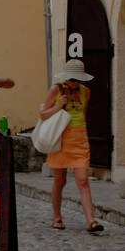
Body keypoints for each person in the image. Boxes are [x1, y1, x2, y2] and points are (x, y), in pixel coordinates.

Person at [40, 59, 105, 234]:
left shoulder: (86, 92)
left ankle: (91, 221)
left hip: (79, 140)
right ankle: (57, 218)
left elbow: (82, 115)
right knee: (60, 181)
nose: (74, 82)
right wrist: (59, 105)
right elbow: (43, 114)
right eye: (72, 79)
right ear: (66, 77)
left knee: (83, 181)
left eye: (77, 79)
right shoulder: (56, 90)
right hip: (60, 139)